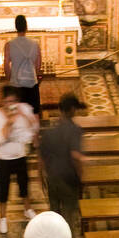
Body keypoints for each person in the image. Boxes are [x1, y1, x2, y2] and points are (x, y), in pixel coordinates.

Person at [0, 87, 39, 235]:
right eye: (8, 101)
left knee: (24, 184)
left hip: (20, 155)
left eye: (14, 101)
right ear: (3, 102)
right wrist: (10, 122)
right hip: (3, 158)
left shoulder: (23, 109)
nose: (11, 104)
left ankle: (27, 209)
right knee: (2, 189)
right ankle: (3, 218)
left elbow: (34, 128)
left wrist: (24, 115)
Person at [39, 93, 88, 225]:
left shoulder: (48, 132)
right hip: (68, 179)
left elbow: (41, 159)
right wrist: (81, 176)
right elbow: (75, 156)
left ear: (60, 109)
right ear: (72, 110)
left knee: (54, 212)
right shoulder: (75, 130)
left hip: (52, 179)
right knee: (68, 214)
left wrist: (41, 178)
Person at [2, 14, 42, 115]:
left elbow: (6, 65)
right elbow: (38, 65)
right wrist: (34, 76)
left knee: (15, 114)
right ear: (26, 27)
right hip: (32, 83)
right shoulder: (35, 44)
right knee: (33, 113)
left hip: (16, 84)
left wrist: (9, 79)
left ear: (15, 27)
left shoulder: (9, 45)